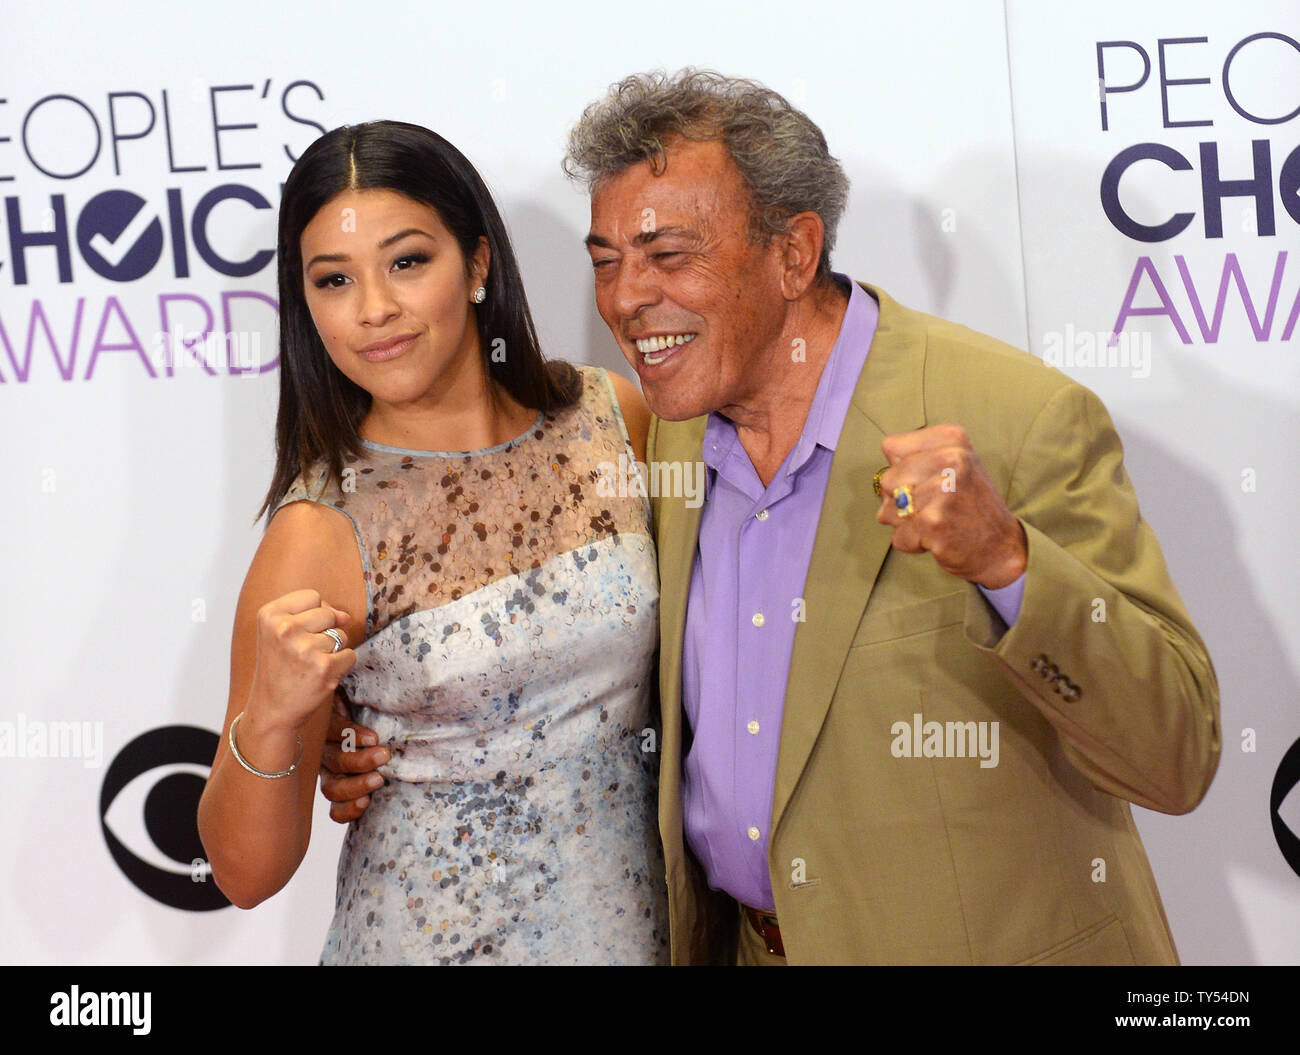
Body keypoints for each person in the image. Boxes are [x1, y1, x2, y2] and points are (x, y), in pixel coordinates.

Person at [322, 71, 1221, 966]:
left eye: (668, 255)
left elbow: (1176, 755)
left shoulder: (1018, 416)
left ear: (794, 253)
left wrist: (1009, 561)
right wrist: (379, 729)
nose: (626, 298)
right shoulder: (658, 442)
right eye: (606, 260)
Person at [197, 120, 668, 965]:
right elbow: (245, 873)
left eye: (408, 261)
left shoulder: (611, 419)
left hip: (634, 935)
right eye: (334, 279)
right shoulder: (319, 531)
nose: (374, 308)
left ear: (478, 263)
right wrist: (272, 717)